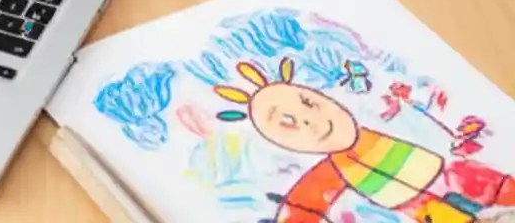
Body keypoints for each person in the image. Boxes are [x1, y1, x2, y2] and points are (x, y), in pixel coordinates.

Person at [212, 58, 515, 222]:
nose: (309, 119)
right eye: (287, 123)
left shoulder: (399, 115)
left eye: (309, 103)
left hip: (456, 180)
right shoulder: (328, 176)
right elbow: (300, 209)